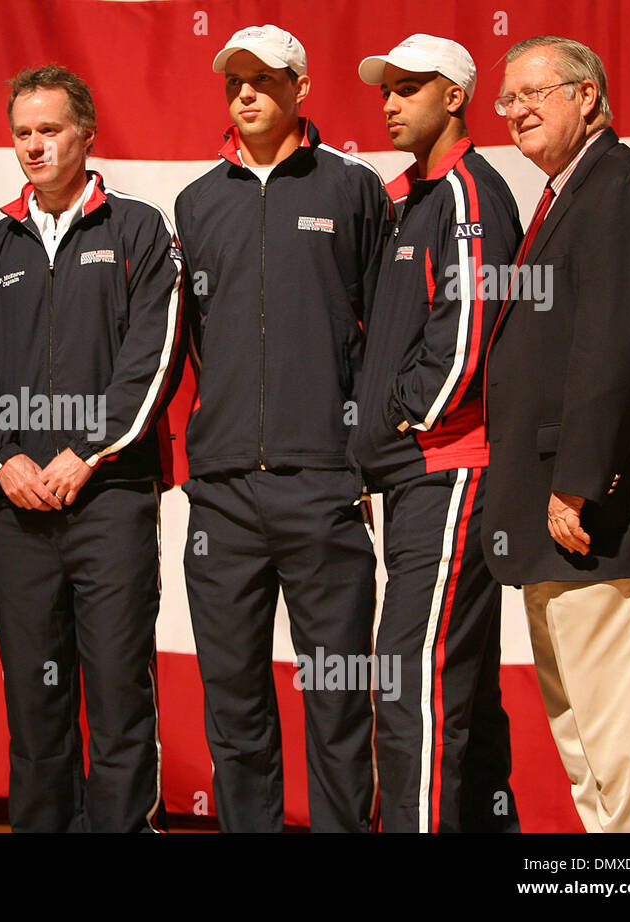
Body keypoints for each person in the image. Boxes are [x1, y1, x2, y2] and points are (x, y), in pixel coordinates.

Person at [0, 64, 182, 832]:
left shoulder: (140, 229)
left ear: (87, 133)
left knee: (118, 697)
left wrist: (86, 452)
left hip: (108, 500)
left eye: (51, 130)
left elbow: (151, 360)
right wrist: (3, 459)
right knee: (34, 707)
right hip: (16, 508)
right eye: (23, 133)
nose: (36, 146)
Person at [174, 24, 387, 832]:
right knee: (234, 707)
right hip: (222, 495)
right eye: (235, 81)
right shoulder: (195, 203)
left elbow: (383, 330)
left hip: (323, 487)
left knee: (336, 700)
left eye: (265, 79)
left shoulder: (353, 189)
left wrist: (355, 458)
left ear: (302, 87)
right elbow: (186, 338)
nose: (248, 93)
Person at [484, 35, 630, 833]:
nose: (519, 110)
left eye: (538, 91)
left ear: (590, 97)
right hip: (556, 522)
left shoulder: (622, 189)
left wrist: (575, 481)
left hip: (601, 520)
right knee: (587, 756)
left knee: (623, 761)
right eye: (508, 100)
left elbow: (615, 348)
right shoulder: (569, 193)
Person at [350, 34, 521, 833]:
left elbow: (467, 333)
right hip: (414, 474)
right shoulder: (408, 199)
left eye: (409, 88)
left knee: (410, 682)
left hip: (448, 469)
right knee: (460, 684)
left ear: (455, 97)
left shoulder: (467, 195)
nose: (389, 102)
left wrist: (396, 418)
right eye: (386, 89)